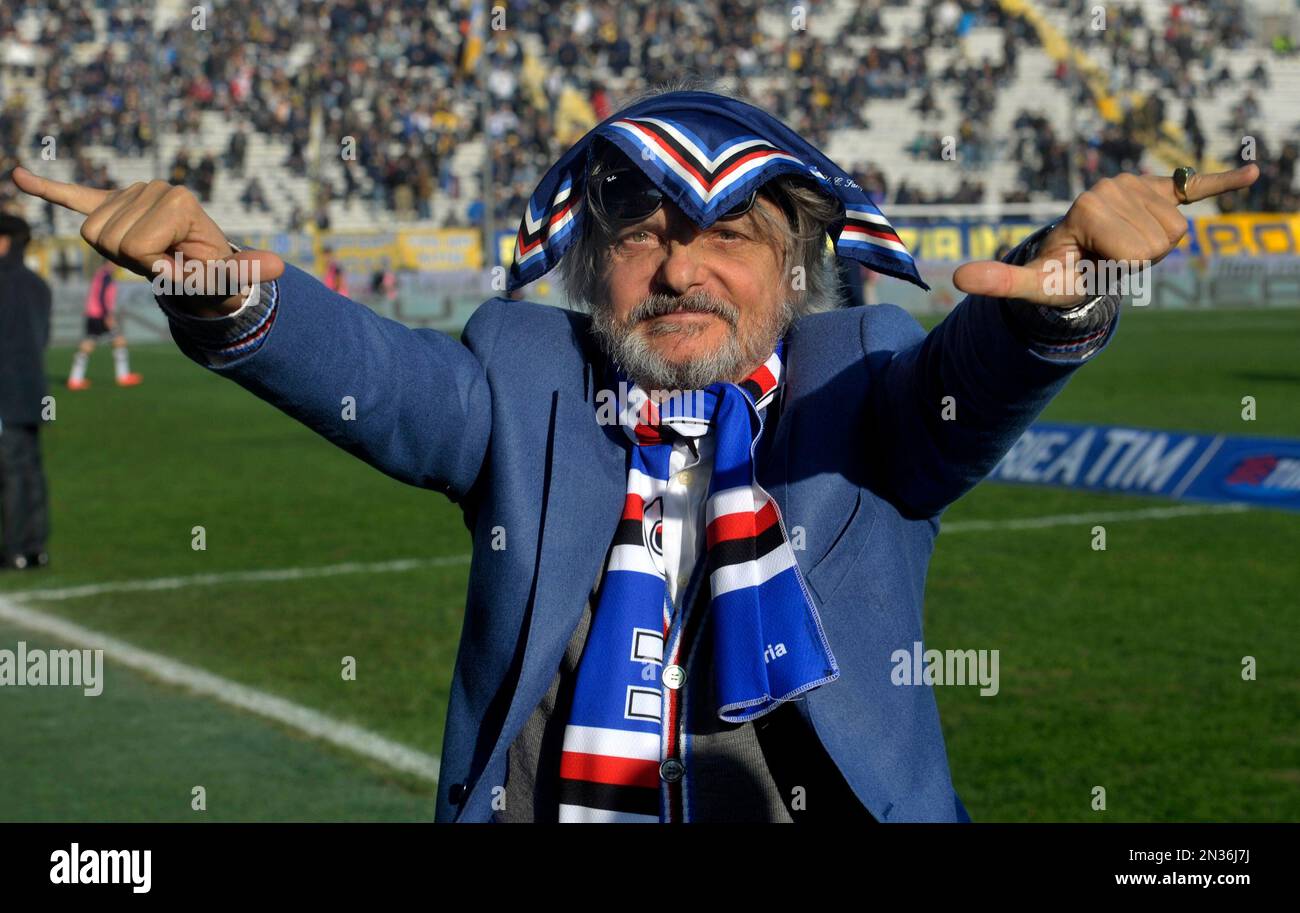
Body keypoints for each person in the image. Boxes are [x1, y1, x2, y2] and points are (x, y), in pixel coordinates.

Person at [12, 89, 1257, 823]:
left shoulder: (865, 377)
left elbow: (970, 381)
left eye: (731, 235)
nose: (681, 266)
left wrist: (1064, 288)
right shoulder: (523, 371)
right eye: (643, 230)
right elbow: (381, 382)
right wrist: (215, 284)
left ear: (794, 269)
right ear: (586, 263)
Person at [0, 212, 52, 571]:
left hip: (4, 393)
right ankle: (34, 547)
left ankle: (13, 548)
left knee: (11, 473)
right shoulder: (38, 284)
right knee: (29, 469)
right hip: (32, 390)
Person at [67, 260, 143, 390]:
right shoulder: (106, 276)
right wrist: (107, 315)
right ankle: (123, 377)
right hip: (101, 315)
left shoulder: (100, 274)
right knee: (119, 341)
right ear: (109, 262)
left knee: (89, 343)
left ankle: (75, 379)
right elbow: (102, 296)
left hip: (93, 314)